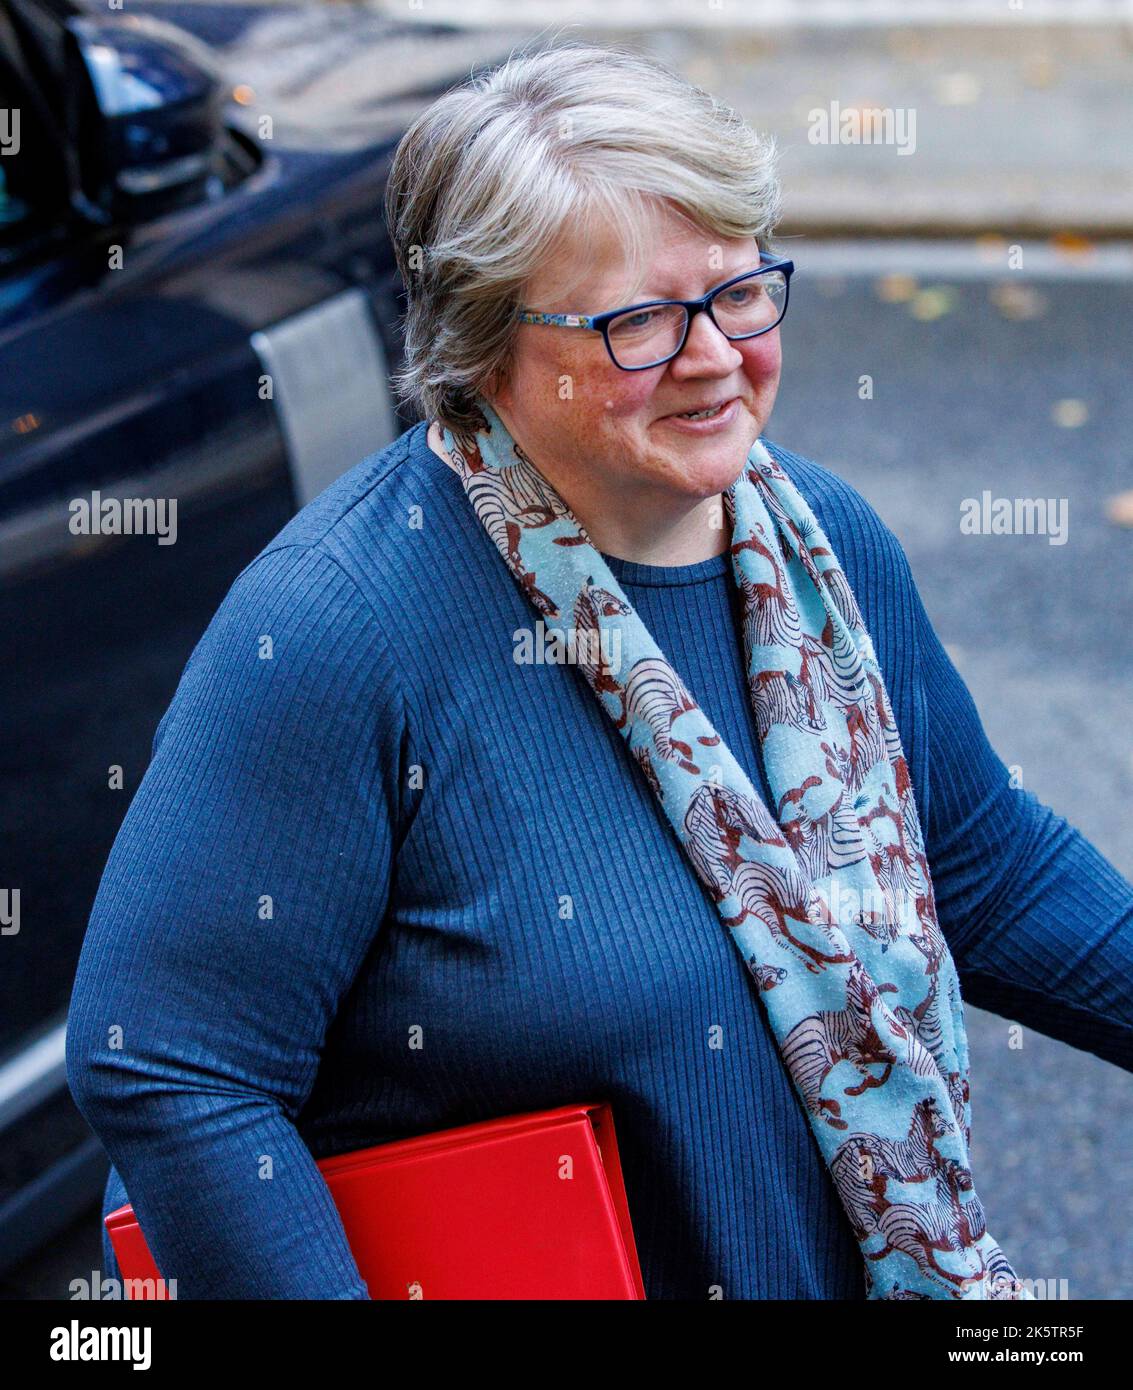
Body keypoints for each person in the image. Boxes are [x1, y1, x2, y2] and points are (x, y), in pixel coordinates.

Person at [67, 41, 1133, 1300]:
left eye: (738, 292)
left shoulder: (817, 544)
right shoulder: (339, 628)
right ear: (483, 345)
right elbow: (172, 1062)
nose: (711, 356)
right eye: (636, 320)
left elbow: (983, 869)